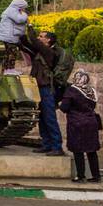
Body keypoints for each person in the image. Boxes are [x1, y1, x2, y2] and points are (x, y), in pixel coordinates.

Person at [20, 27, 65, 155]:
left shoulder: (49, 52)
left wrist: (29, 28)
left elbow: (34, 41)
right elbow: (27, 45)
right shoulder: (40, 52)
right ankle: (46, 144)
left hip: (46, 88)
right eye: (39, 36)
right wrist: (21, 35)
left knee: (50, 118)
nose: (39, 38)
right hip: (37, 87)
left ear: (48, 40)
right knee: (41, 117)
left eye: (42, 36)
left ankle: (57, 147)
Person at [58, 70, 102, 182]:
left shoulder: (71, 91)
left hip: (77, 124)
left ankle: (81, 176)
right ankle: (96, 176)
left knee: (78, 150)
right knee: (92, 150)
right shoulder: (91, 90)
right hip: (91, 123)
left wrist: (59, 104)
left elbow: (64, 108)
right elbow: (92, 106)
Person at [0, 0, 30, 70]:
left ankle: (6, 69)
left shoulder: (12, 10)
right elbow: (19, 19)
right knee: (12, 53)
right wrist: (25, 14)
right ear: (20, 6)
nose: (24, 9)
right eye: (24, 7)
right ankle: (10, 70)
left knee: (9, 53)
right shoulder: (12, 10)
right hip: (9, 36)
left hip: (9, 36)